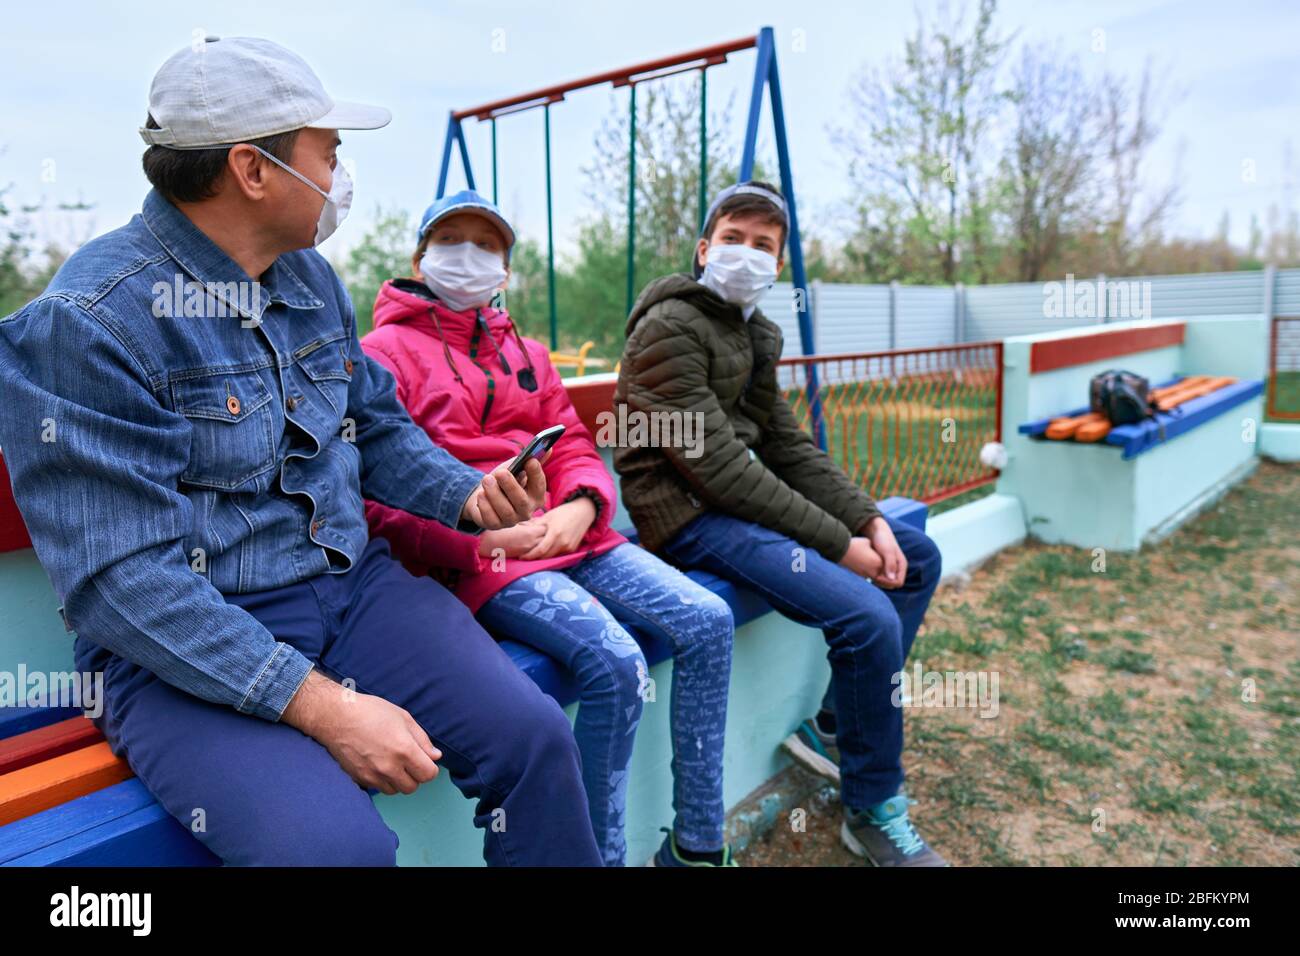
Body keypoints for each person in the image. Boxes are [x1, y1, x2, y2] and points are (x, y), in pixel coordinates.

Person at [0, 37, 602, 866]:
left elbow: (376, 428)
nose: (341, 171)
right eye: (330, 150)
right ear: (252, 169)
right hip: (188, 639)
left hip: (354, 593)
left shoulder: (309, 278)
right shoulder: (89, 323)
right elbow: (121, 585)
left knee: (536, 743)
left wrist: (464, 494)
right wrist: (324, 707)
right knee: (334, 851)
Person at [361, 190, 737, 867]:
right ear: (420, 258)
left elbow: (571, 448)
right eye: (453, 242)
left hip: (574, 536)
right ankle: (603, 857)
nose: (469, 257)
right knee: (617, 665)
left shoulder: (527, 352)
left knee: (708, 618)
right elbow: (373, 497)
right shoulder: (380, 354)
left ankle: (697, 844)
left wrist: (585, 505)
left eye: (487, 246)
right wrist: (476, 542)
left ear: (505, 271)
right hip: (482, 561)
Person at [612, 181, 948, 866]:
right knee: (867, 617)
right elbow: (722, 468)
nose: (747, 254)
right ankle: (872, 806)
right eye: (734, 238)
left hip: (734, 502)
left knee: (917, 557)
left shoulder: (754, 331)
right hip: (688, 514)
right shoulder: (669, 326)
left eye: (764, 245)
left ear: (779, 263)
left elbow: (786, 444)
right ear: (705, 247)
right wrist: (837, 544)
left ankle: (832, 724)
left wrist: (868, 520)